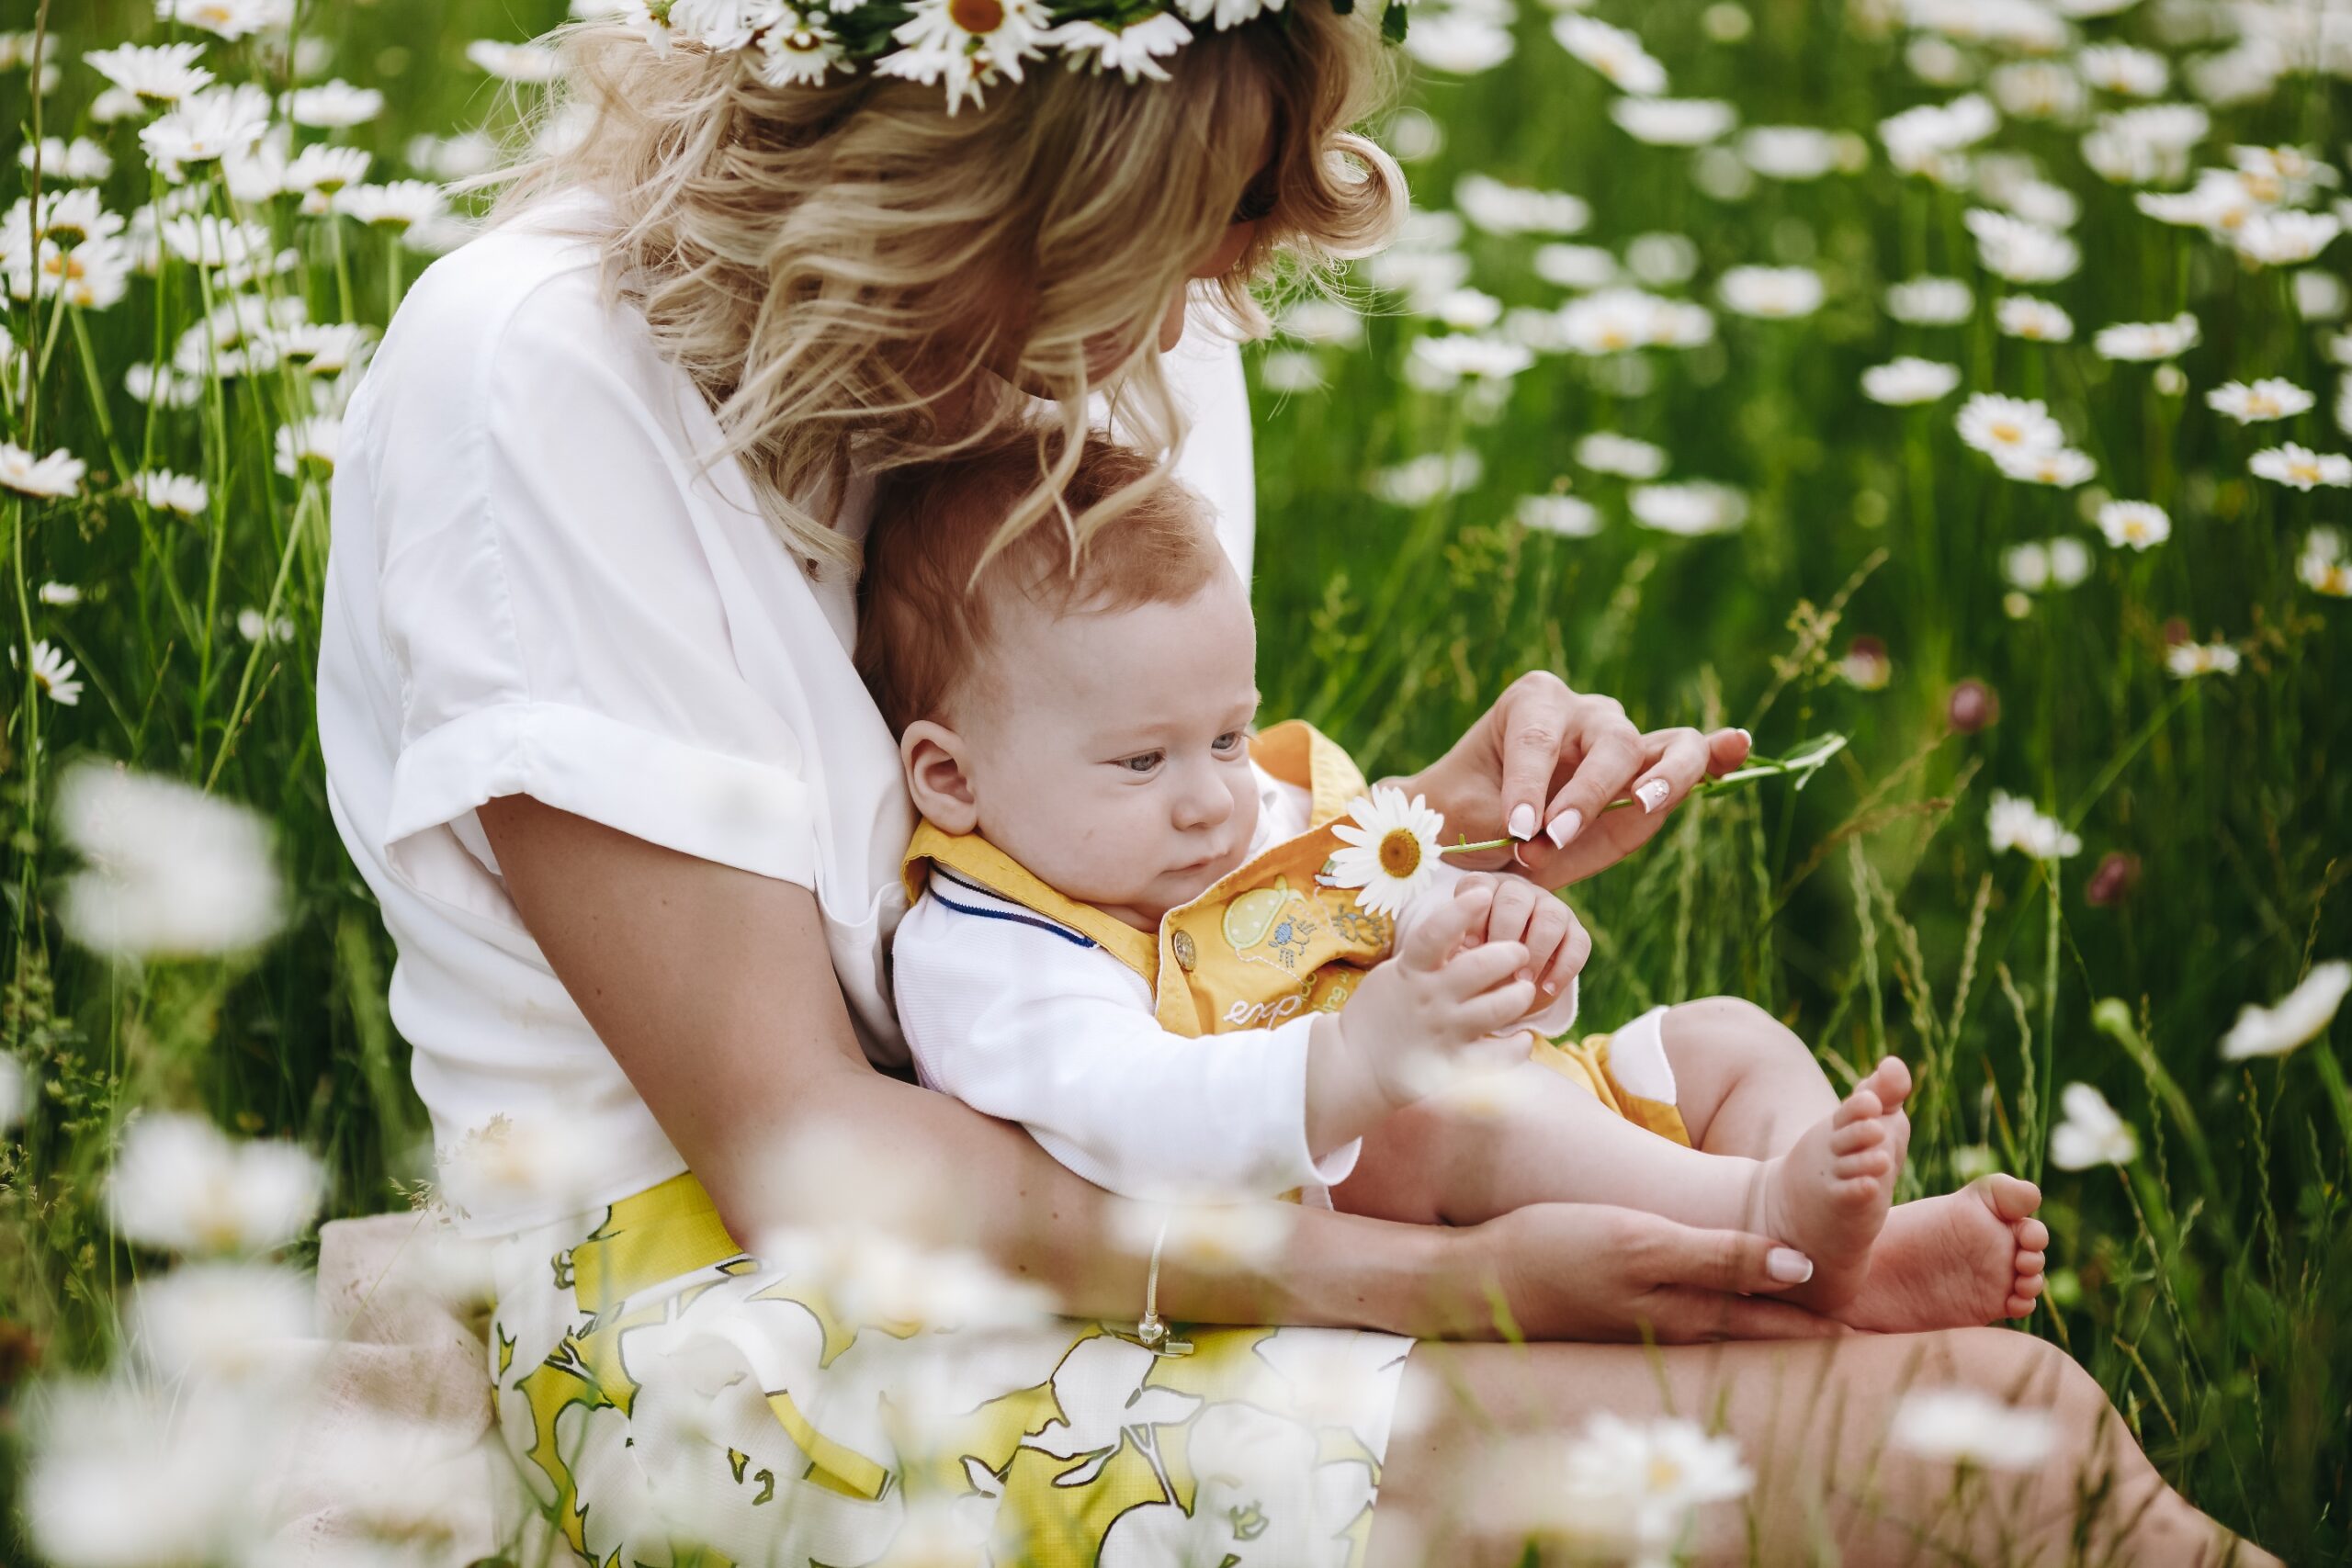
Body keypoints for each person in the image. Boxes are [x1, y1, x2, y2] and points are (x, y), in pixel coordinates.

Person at [314, 0, 2282, 1561]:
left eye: (1213, 244)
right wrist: (1426, 1275)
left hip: (1131, 1178)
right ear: (934, 173)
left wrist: (1433, 821)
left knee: (1966, 1397)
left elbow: (1115, 905)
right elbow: (802, 1148)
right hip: (749, 1319)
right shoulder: (548, 378)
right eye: (1118, 256)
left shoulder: (1124, 334)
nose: (1177, 329)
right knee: (1977, 1453)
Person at [863, 428, 2050, 1331]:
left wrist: (1501, 940)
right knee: (1444, 1113)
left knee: (1729, 1041)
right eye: (1140, 761)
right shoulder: (990, 948)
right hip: (1374, 1192)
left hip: (1522, 1107)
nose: (1210, 797)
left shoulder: (1254, 816)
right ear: (952, 780)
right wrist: (1357, 1064)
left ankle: (1824, 1235)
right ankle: (1763, 1226)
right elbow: (1138, 1116)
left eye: (1228, 737)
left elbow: (1403, 913)